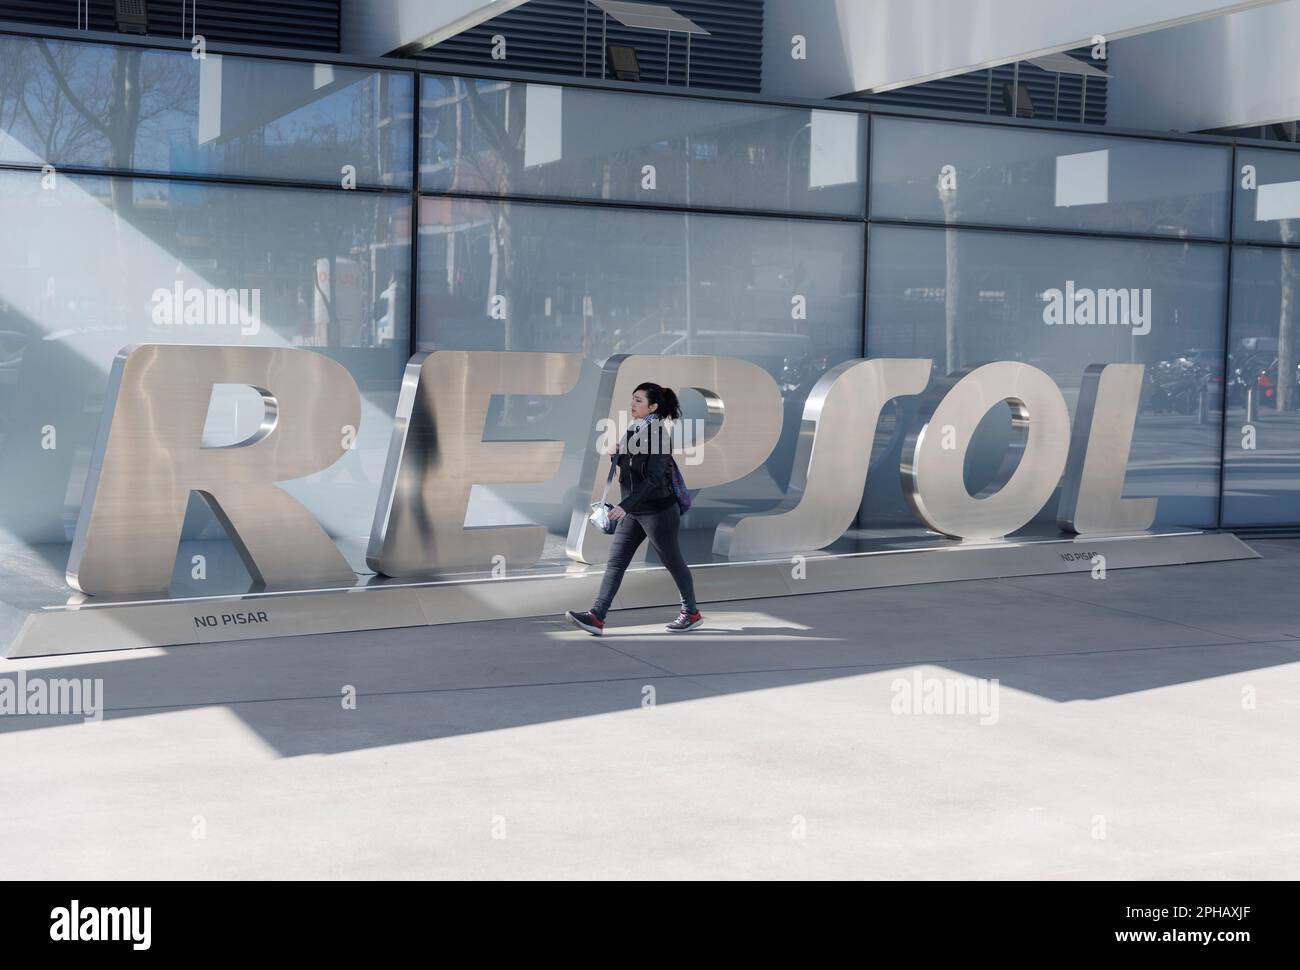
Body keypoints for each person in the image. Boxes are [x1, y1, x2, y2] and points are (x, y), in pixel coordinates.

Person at [565, 382, 702, 636]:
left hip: (658, 512)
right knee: (616, 562)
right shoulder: (635, 428)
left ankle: (691, 612)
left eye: (638, 400)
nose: (633, 404)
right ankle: (597, 616)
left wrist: (624, 505)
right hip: (634, 510)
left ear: (653, 406)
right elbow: (634, 469)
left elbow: (653, 478)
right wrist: (618, 455)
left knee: (672, 561)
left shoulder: (659, 434)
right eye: (633, 399)